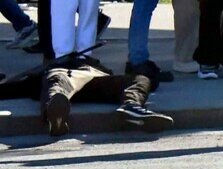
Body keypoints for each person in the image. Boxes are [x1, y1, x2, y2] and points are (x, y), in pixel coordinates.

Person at [5, 53, 173, 136]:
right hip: (72, 75)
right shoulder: (53, 68)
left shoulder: (90, 65)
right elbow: (17, 88)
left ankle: (131, 107)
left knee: (139, 79)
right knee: (58, 85)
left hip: (91, 77)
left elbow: (17, 88)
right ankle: (55, 112)